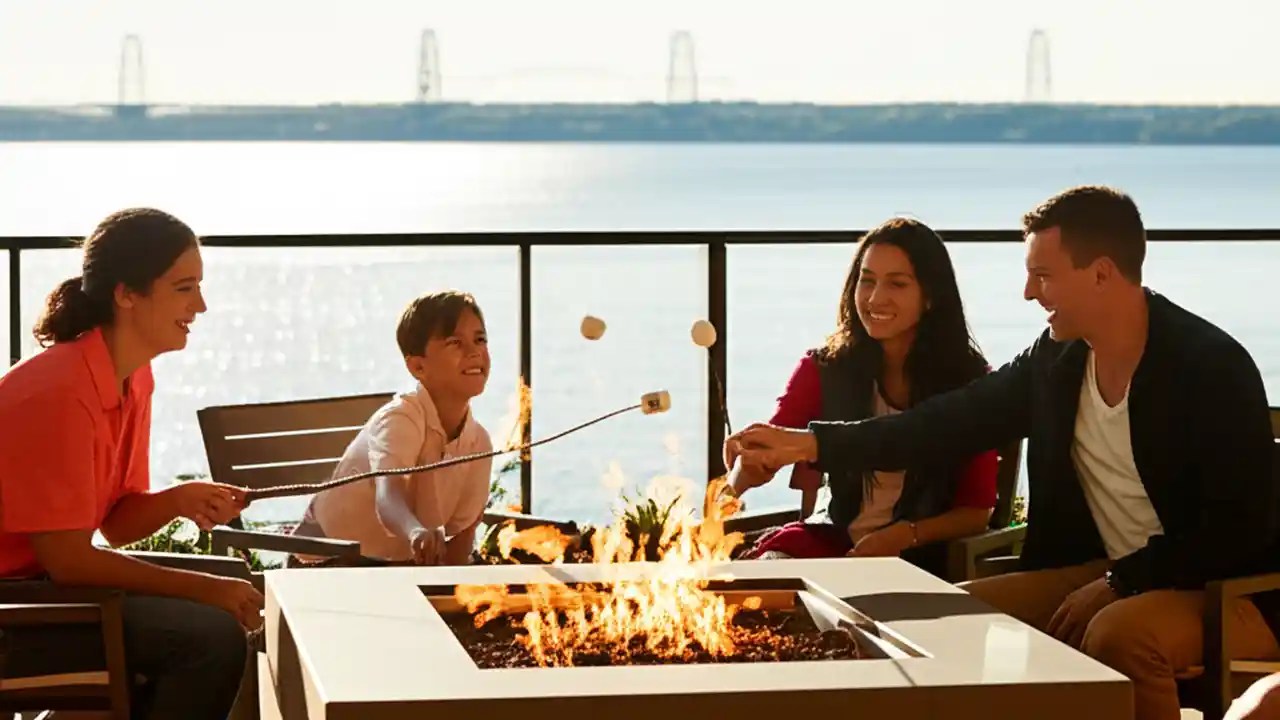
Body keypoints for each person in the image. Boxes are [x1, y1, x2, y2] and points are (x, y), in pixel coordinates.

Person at [724, 186, 1280, 720]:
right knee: (946, 618)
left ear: (1101, 274)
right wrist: (813, 442)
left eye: (1043, 276)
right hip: (1101, 570)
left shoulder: (1209, 367)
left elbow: (1240, 531)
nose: (1029, 293)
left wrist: (1123, 581)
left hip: (1220, 587)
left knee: (1118, 634)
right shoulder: (1057, 361)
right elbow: (941, 424)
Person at [0, 208, 263, 719]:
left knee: (239, 586)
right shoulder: (58, 392)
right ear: (127, 294)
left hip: (43, 589)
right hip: (14, 612)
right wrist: (206, 590)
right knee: (211, 638)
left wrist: (179, 500)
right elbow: (70, 561)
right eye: (184, 288)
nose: (201, 305)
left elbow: (116, 525)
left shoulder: (133, 377)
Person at [729, 218, 998, 574]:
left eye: (897, 284)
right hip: (831, 541)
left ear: (931, 296)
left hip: (918, 557)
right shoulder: (824, 368)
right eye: (867, 280)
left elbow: (976, 512)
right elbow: (770, 446)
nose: (874, 298)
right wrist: (734, 485)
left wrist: (905, 535)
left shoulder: (969, 384)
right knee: (764, 575)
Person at [294, 290, 494, 566]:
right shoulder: (401, 418)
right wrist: (415, 533)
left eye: (480, 339)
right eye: (455, 343)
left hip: (397, 570)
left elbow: (462, 537)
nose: (474, 352)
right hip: (324, 563)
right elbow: (388, 496)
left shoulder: (479, 443)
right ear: (418, 366)